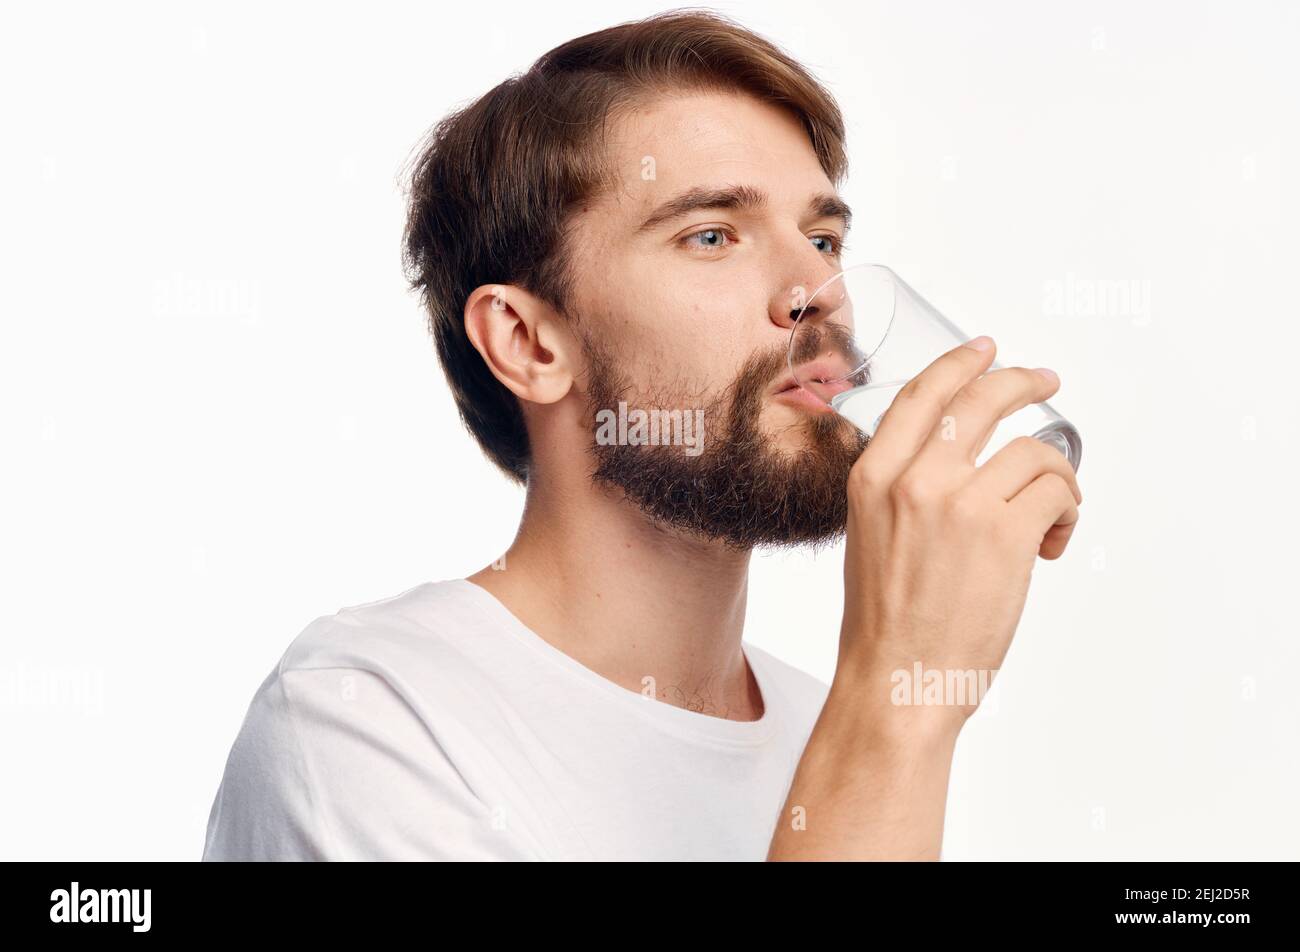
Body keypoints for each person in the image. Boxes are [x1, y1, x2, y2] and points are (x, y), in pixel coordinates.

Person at [202, 9, 1081, 861]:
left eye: (822, 236)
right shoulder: (370, 719)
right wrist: (896, 708)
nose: (818, 288)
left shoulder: (831, 729)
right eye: (711, 235)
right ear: (530, 342)